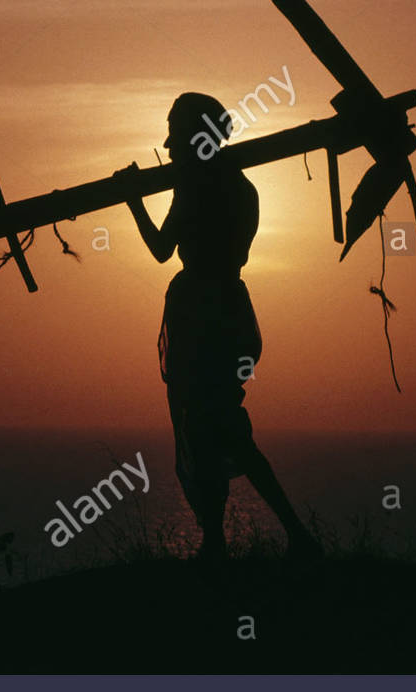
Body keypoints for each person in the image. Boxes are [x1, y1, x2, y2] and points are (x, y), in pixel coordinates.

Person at [115, 92, 322, 560]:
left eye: (173, 130)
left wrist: (132, 200)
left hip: (203, 319)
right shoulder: (238, 183)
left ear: (193, 134)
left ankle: (276, 536)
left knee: (217, 427)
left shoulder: (196, 185)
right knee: (216, 425)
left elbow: (161, 249)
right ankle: (221, 540)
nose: (166, 144)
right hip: (231, 314)